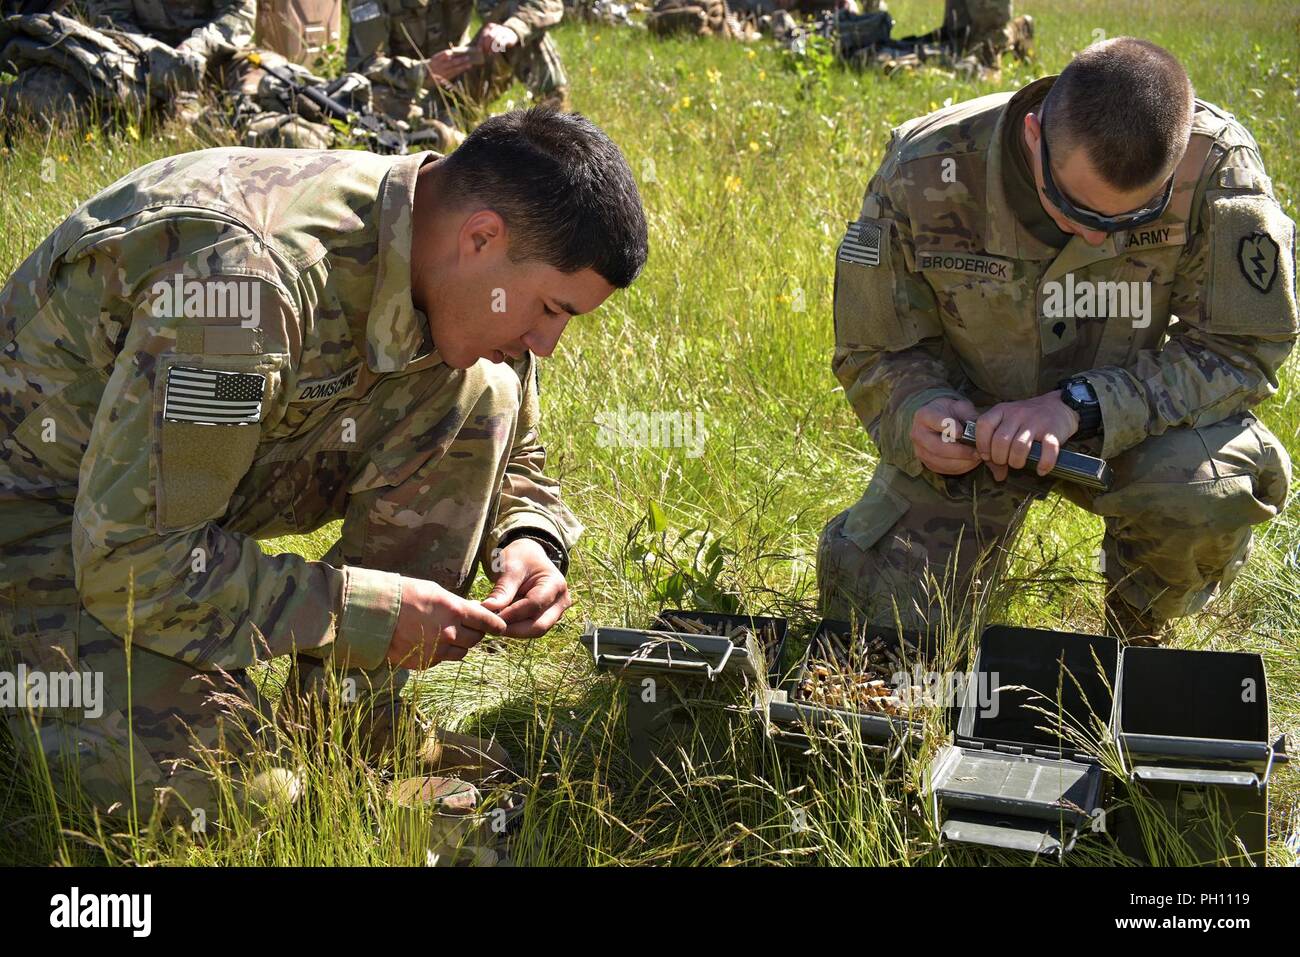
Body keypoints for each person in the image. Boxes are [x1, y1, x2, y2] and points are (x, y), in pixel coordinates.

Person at [0, 109, 648, 860]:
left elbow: (517, 449)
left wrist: (529, 538)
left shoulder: (439, 255)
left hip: (176, 499)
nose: (547, 343)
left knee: (482, 388)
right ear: (482, 238)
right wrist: (363, 612)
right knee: (243, 798)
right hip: (47, 530)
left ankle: (344, 723)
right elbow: (130, 561)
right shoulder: (243, 291)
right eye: (551, 309)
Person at [818, 37, 1296, 645]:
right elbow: (873, 348)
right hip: (977, 432)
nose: (1096, 239)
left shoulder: (1217, 166)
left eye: (1130, 219)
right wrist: (918, 408)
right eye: (1076, 209)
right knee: (877, 628)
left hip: (1133, 427)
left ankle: (1138, 634)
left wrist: (1080, 406)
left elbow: (1241, 347)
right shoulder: (925, 167)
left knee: (1205, 491)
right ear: (1034, 135)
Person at [0, 1, 256, 129]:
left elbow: (239, 12)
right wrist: (155, 58)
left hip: (216, 55)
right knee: (56, 96)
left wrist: (195, 48)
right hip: (136, 61)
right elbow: (111, 17)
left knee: (268, 85)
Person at [346, 0, 568, 147]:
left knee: (524, 30)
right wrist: (421, 72)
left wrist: (512, 29)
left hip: (464, 78)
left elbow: (547, 3)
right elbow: (365, 64)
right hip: (407, 93)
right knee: (369, 97)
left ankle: (557, 134)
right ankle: (448, 136)